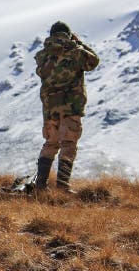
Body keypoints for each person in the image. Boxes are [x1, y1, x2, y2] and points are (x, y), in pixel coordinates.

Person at [33, 21, 99, 192]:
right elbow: (93, 61)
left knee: (50, 144)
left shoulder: (42, 56)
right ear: (68, 34)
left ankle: (40, 186)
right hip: (71, 106)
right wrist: (79, 43)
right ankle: (62, 186)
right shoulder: (75, 51)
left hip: (50, 109)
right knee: (68, 143)